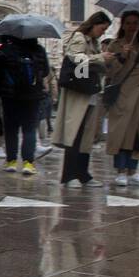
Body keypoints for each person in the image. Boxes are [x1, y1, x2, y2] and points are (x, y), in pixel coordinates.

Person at [53, 11, 111, 187]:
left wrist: (105, 61)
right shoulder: (79, 37)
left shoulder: (93, 42)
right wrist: (101, 58)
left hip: (89, 92)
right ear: (94, 25)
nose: (103, 33)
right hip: (78, 93)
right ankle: (69, 175)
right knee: (75, 134)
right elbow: (77, 60)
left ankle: (83, 174)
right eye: (102, 29)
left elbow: (89, 65)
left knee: (86, 136)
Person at [102, 10, 139, 186]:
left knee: (137, 135)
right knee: (120, 133)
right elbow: (108, 71)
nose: (132, 26)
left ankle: (133, 171)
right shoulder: (114, 46)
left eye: (135, 23)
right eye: (128, 23)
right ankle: (120, 171)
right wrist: (121, 57)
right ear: (123, 25)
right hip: (122, 96)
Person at [0, 34, 50, 174]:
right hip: (32, 96)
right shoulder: (39, 50)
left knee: (11, 129)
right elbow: (46, 71)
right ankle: (28, 163)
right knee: (29, 129)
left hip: (10, 96)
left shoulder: (6, 49)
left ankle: (11, 161)